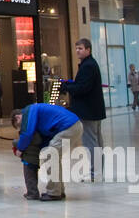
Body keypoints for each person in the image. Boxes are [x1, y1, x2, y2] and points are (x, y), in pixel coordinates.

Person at [14, 102, 82, 201]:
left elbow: (27, 133)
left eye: (18, 125)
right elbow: (46, 137)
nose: (21, 127)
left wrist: (20, 149)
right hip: (73, 126)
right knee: (54, 157)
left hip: (68, 127)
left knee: (50, 155)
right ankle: (59, 190)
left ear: (18, 117)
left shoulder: (29, 111)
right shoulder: (37, 113)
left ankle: (54, 193)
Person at [61, 39, 105, 179]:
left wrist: (67, 87)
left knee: (90, 141)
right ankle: (97, 171)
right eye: (77, 48)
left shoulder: (88, 66)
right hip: (94, 109)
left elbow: (83, 88)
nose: (78, 51)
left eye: (80, 48)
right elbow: (83, 85)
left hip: (88, 110)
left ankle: (94, 172)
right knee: (96, 140)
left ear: (88, 50)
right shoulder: (90, 64)